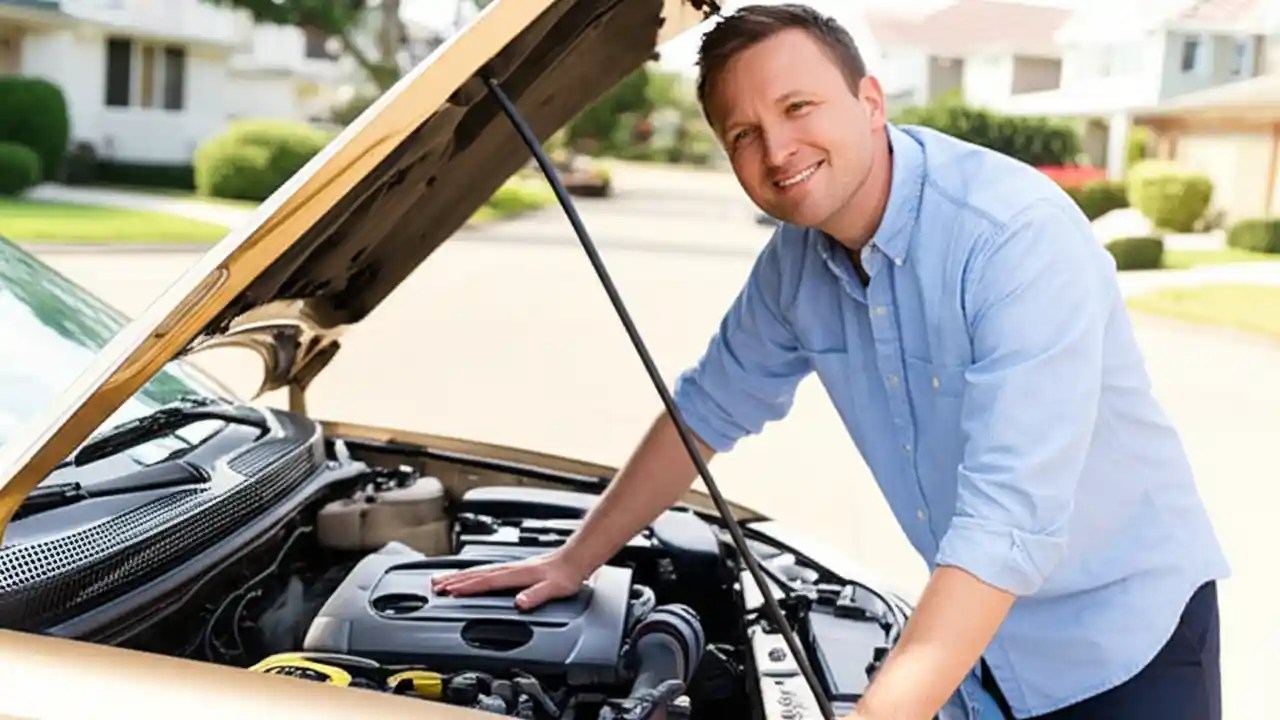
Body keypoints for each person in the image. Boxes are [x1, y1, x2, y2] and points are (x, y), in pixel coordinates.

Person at [433, 4, 1230, 719]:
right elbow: (704, 413)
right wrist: (577, 559)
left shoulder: (1011, 237)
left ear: (871, 101)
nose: (776, 149)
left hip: (1127, 642)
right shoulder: (796, 265)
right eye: (742, 134)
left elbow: (1006, 526)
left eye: (797, 106)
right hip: (979, 645)